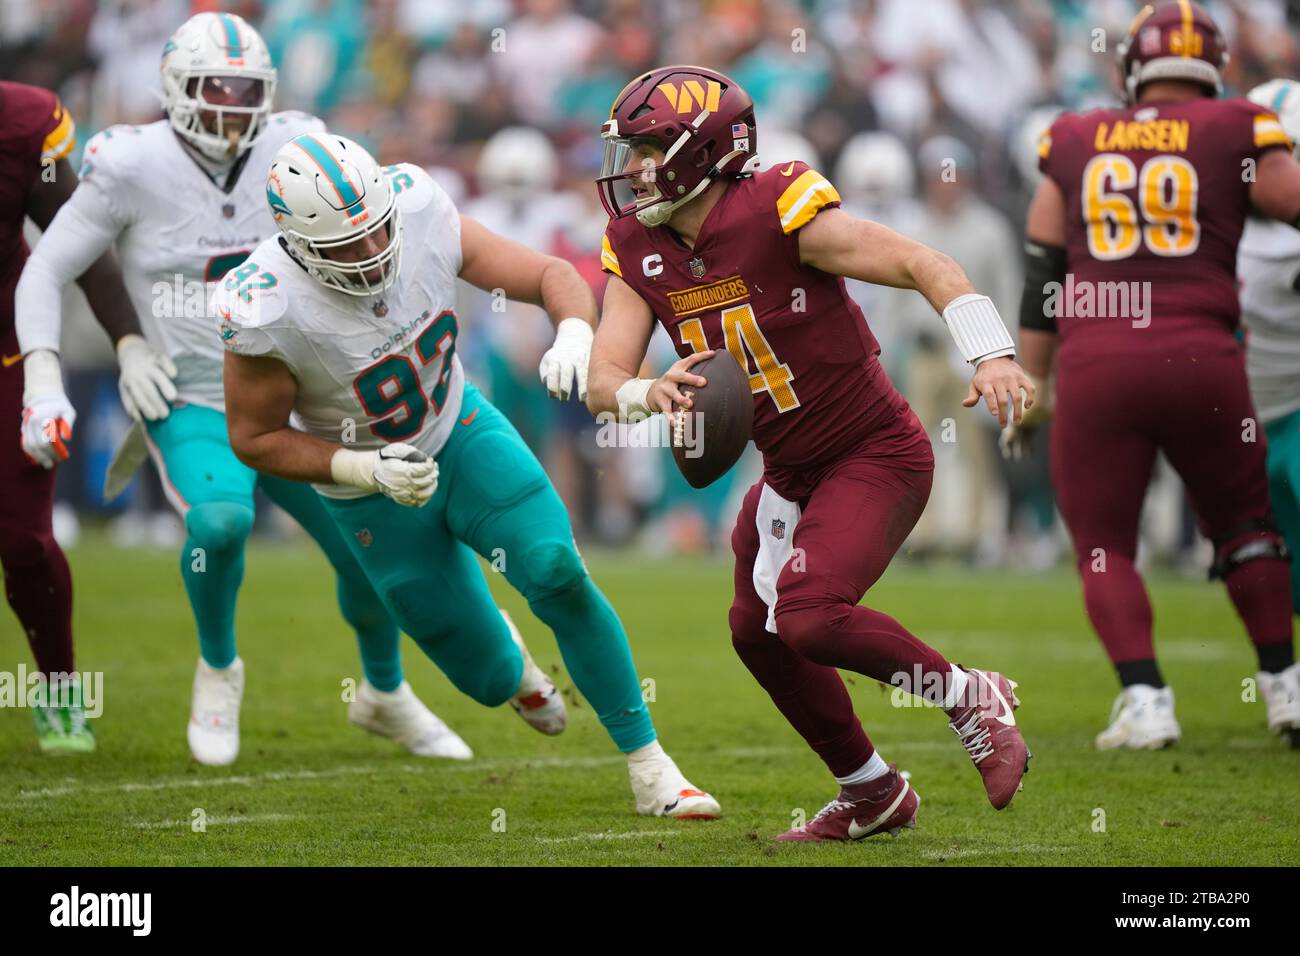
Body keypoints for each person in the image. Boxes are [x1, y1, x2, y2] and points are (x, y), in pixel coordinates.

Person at [586, 64, 1032, 842]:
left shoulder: (780, 206)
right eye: (627, 152)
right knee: (754, 632)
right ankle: (872, 791)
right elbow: (603, 378)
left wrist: (989, 354)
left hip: (873, 450)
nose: (630, 172)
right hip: (788, 474)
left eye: (648, 150)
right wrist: (642, 394)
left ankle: (966, 696)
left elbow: (924, 264)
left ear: (704, 152)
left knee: (811, 619)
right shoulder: (637, 245)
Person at [217, 131, 720, 820]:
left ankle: (653, 768)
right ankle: (511, 664)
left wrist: (573, 332)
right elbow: (252, 437)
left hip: (460, 430)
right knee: (484, 677)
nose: (371, 254)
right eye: (345, 247)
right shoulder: (266, 304)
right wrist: (358, 464)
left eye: (375, 232)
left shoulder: (417, 207)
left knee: (555, 570)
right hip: (369, 491)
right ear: (299, 248)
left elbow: (550, 276)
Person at [15, 12, 465, 766]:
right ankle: (220, 668)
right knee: (219, 526)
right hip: (189, 393)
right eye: (214, 89)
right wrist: (49, 369)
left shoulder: (295, 146)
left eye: (246, 89)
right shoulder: (131, 162)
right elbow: (47, 266)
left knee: (366, 548)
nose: (232, 106)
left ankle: (385, 693)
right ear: (175, 89)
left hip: (297, 393)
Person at [1005, 1, 1300, 749]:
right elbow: (1291, 200)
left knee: (1105, 542)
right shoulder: (1239, 126)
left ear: (1135, 67)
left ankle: (1146, 700)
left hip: (1099, 362)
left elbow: (1044, 272)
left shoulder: (1073, 136)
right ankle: (1284, 686)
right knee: (1245, 526)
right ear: (1215, 65)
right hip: (1205, 357)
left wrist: (1030, 388)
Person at [2, 79, 147, 753]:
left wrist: (130, 340)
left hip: (9, 350)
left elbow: (78, 243)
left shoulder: (22, 122)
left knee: (25, 542)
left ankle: (59, 692)